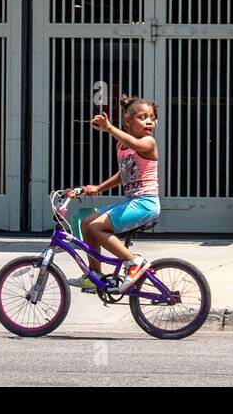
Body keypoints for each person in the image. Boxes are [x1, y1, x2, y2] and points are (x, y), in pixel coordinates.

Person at [65, 95, 161, 293]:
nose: (149, 121)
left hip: (145, 203)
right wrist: (98, 188)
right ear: (128, 121)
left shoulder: (148, 143)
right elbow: (124, 174)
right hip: (132, 201)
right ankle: (95, 275)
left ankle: (133, 262)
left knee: (97, 227)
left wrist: (109, 128)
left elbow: (134, 143)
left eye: (152, 117)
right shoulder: (121, 146)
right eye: (143, 117)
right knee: (86, 224)